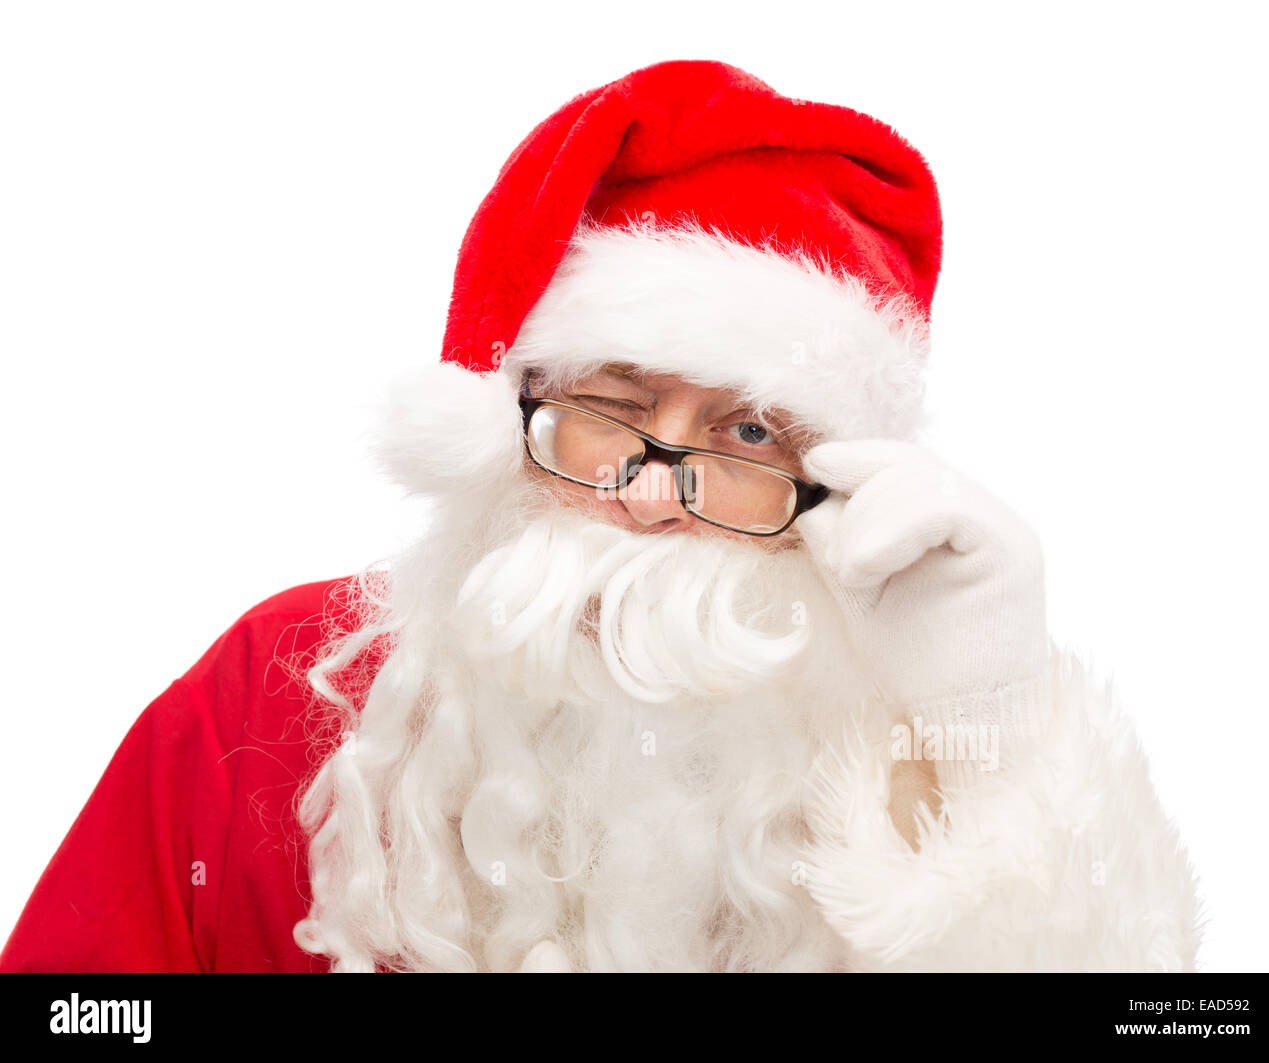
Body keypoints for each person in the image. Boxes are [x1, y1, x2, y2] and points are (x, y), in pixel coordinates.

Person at [0, 59, 1204, 973]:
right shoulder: (279, 683)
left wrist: (983, 714)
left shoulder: (902, 739)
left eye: (744, 437)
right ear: (509, 417)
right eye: (611, 407)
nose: (642, 491)